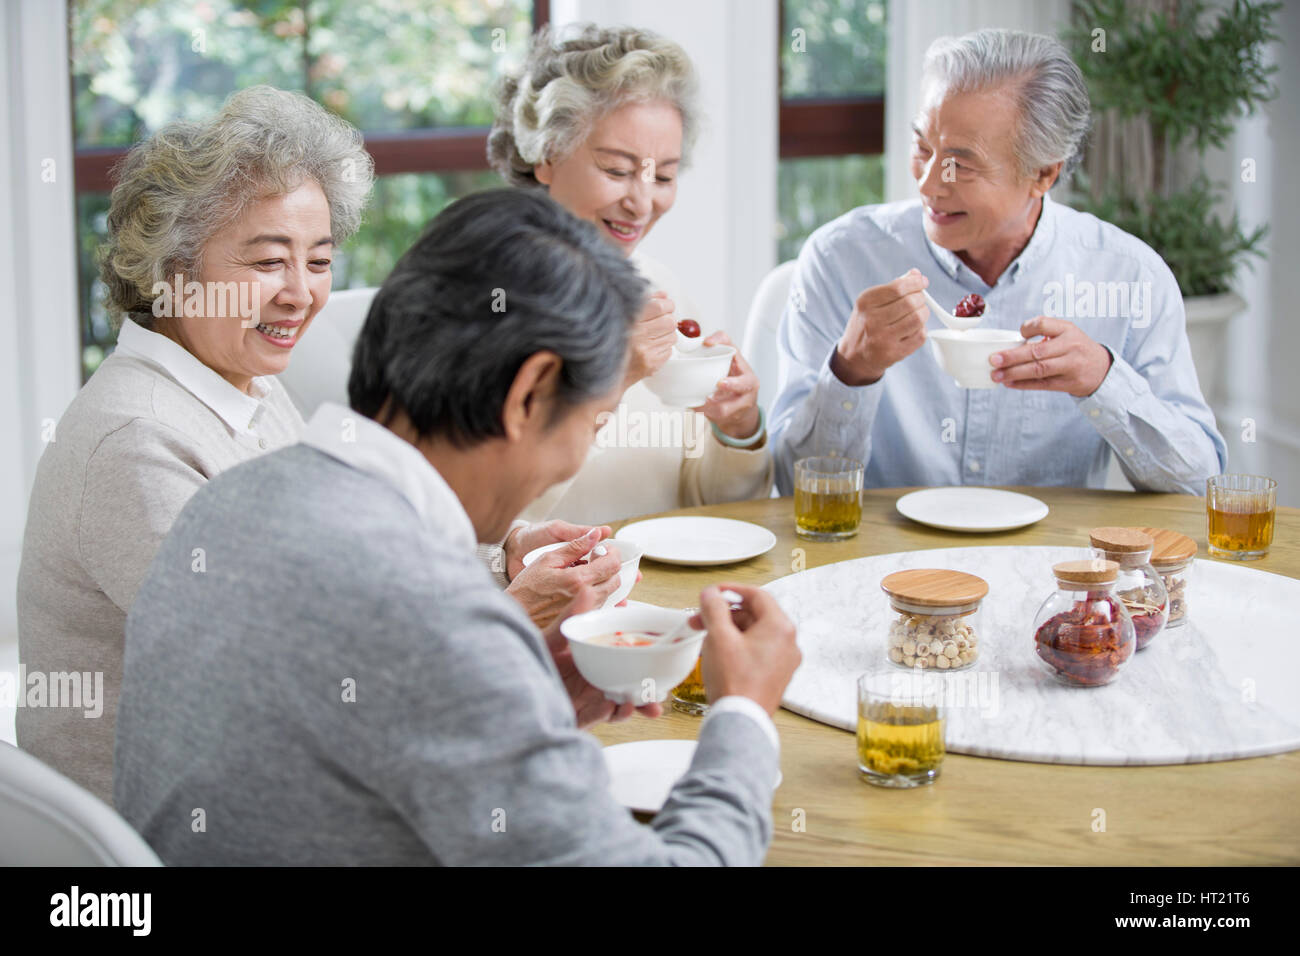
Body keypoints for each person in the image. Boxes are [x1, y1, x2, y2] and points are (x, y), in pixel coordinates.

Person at [115, 189, 801, 865]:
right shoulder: (435, 615)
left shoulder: (226, 503)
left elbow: (323, 757)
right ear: (529, 394)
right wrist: (741, 717)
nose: (581, 452)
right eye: (593, 422)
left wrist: (523, 704)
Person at [15, 86, 373, 802]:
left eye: (319, 259)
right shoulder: (136, 439)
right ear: (172, 272)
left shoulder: (244, 384)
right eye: (268, 262)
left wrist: (494, 567)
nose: (300, 293)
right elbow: (283, 679)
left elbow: (332, 569)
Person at [769, 29, 1226, 494]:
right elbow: (794, 490)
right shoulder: (840, 259)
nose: (928, 185)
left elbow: (1198, 487)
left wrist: (1103, 380)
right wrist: (852, 369)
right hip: (886, 561)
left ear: (1043, 174)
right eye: (923, 149)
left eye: (960, 166)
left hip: (1053, 562)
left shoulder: (1127, 277)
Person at [488, 23, 774, 526]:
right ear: (547, 154)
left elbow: (715, 509)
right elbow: (486, 520)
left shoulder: (658, 286)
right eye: (618, 170)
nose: (643, 203)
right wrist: (611, 382)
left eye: (663, 176)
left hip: (670, 590)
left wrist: (738, 428)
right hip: (559, 599)